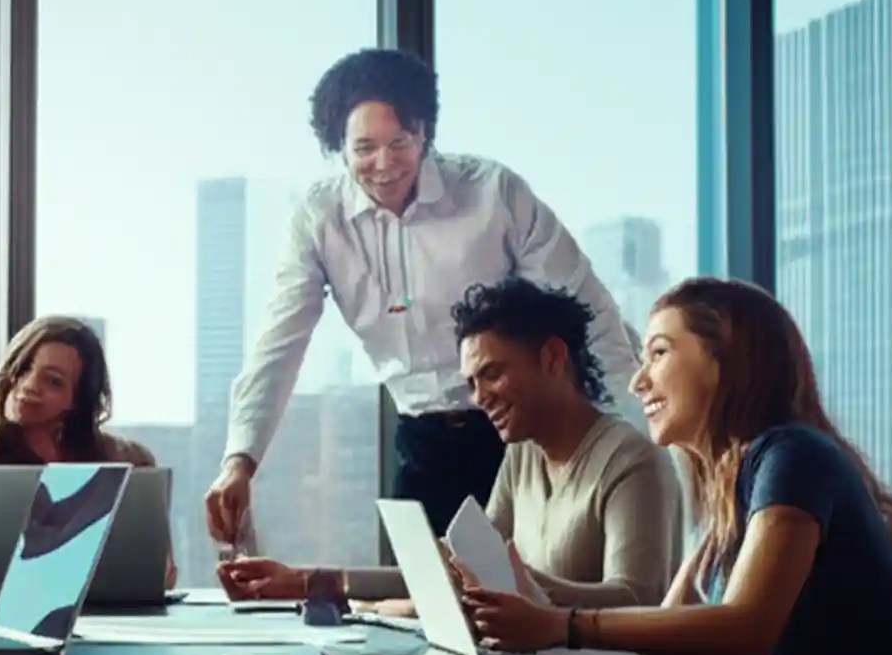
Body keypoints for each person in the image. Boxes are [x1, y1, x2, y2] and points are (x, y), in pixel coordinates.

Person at [205, 48, 640, 546]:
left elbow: (587, 310)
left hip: (519, 435)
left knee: (527, 601)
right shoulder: (319, 220)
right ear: (338, 147)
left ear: (425, 133)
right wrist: (239, 460)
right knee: (424, 604)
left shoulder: (493, 193)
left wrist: (638, 440)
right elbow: (278, 346)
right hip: (421, 445)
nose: (385, 164)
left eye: (401, 142)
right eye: (364, 148)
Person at [458, 278, 892, 655]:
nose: (638, 381)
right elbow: (667, 624)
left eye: (659, 352)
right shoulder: (736, 483)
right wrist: (544, 611)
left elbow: (745, 628)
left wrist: (561, 625)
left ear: (727, 360)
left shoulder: (793, 456)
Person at [218, 278, 680, 609]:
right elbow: (456, 571)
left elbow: (637, 599)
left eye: (493, 373)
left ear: (553, 357)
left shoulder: (632, 461)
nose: (480, 398)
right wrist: (307, 581)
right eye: (472, 383)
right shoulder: (522, 456)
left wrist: (526, 588)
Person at [0, 316, 175, 594]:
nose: (30, 385)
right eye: (24, 368)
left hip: (103, 627)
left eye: (53, 381)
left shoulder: (129, 463)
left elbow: (164, 574)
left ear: (78, 402)